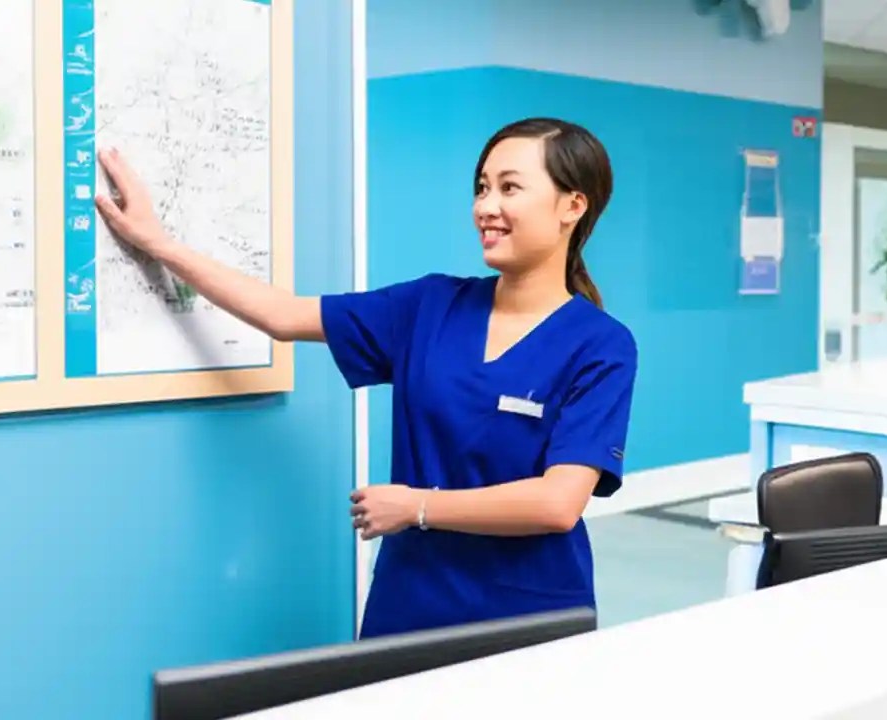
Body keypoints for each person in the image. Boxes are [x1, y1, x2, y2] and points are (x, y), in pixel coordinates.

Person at [94, 117, 638, 639]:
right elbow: (284, 316)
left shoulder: (601, 345)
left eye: (509, 188)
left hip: (529, 614)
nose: (485, 207)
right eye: (481, 187)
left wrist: (418, 506)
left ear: (572, 205)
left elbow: (557, 503)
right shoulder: (429, 306)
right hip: (412, 604)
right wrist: (159, 244)